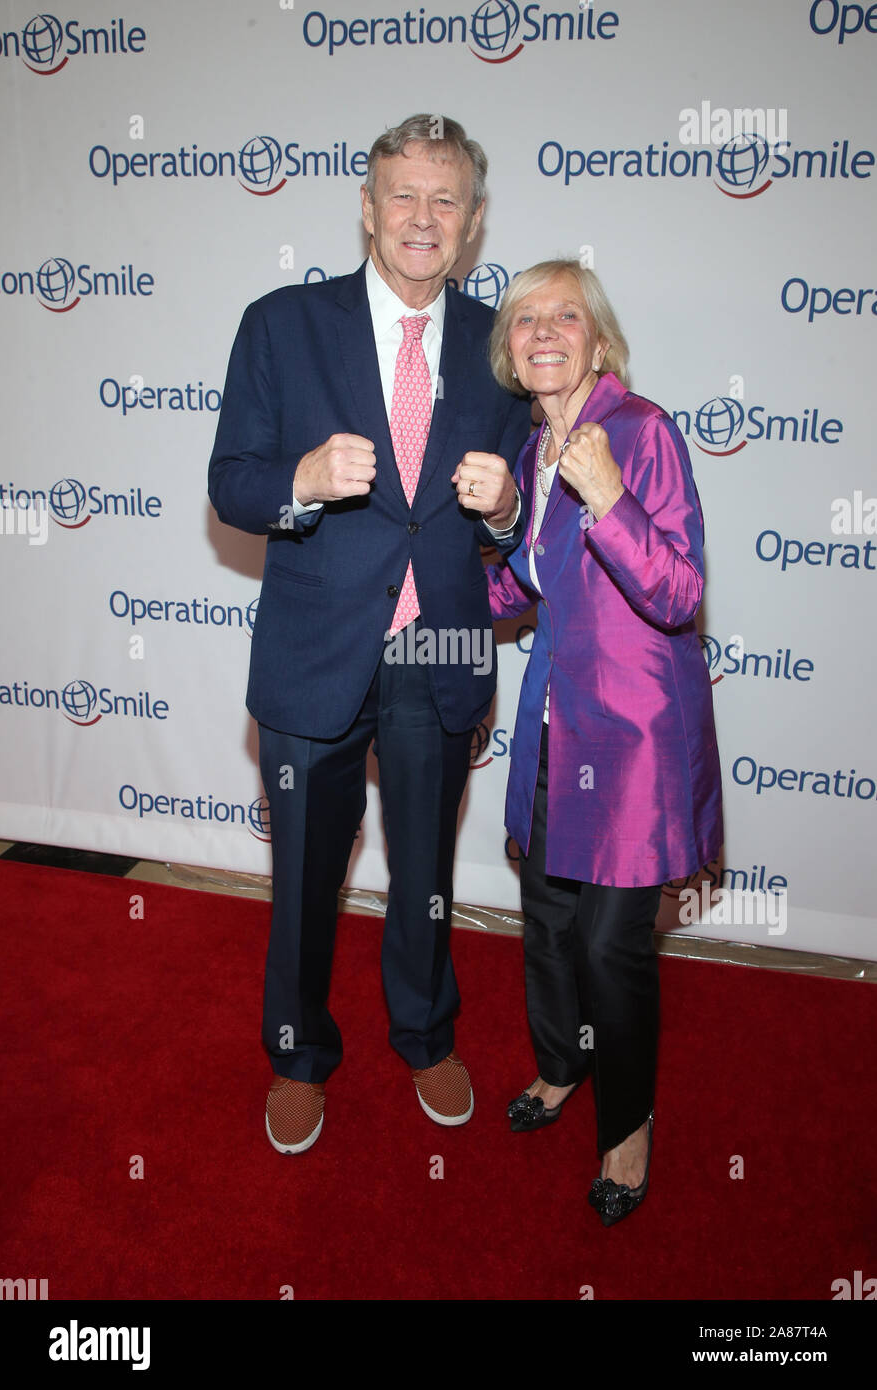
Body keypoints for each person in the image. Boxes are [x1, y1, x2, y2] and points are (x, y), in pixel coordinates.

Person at [208, 114, 531, 1154]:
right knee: (304, 868)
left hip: (436, 652)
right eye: (403, 194)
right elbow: (233, 483)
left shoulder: (498, 349)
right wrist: (300, 482)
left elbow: (516, 523)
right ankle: (298, 1051)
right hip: (314, 651)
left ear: (473, 222)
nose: (422, 218)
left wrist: (504, 513)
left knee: (425, 867)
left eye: (445, 200)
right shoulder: (279, 324)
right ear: (365, 207)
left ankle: (425, 1030)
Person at [486, 259, 723, 1225]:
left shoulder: (641, 431)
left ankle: (629, 1131)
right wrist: (494, 529)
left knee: (611, 948)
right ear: (509, 350)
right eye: (525, 319)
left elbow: (678, 592)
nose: (544, 330)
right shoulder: (527, 448)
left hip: (630, 743)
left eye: (565, 315)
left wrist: (612, 496)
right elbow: (518, 594)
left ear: (599, 339)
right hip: (549, 726)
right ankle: (560, 1064)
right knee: (544, 922)